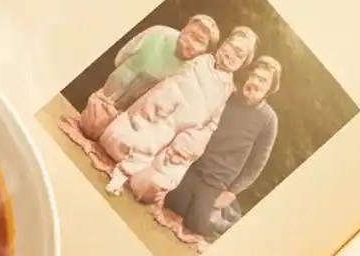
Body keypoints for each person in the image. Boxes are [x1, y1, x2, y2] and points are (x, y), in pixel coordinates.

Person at [100, 27, 257, 194]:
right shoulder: (200, 60)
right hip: (160, 112)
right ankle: (122, 171)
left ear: (242, 63)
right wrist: (159, 104)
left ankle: (130, 173)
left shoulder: (227, 89)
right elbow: (172, 82)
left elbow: (210, 124)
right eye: (232, 46)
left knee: (154, 177)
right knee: (123, 139)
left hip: (179, 133)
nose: (232, 55)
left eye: (240, 55)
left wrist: (188, 143)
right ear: (224, 44)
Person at [164, 55, 282, 240]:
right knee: (173, 202)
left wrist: (231, 192)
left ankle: (227, 216)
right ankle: (215, 209)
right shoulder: (229, 94)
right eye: (254, 76)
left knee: (198, 224)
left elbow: (257, 163)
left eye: (262, 80)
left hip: (218, 181)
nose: (255, 82)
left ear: (270, 89)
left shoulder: (269, 119)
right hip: (194, 166)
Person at [77, 14, 220, 140]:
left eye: (199, 41)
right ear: (183, 29)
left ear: (205, 52)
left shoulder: (191, 72)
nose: (191, 43)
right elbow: (123, 55)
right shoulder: (159, 33)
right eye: (191, 34)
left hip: (132, 117)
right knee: (87, 123)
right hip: (111, 91)